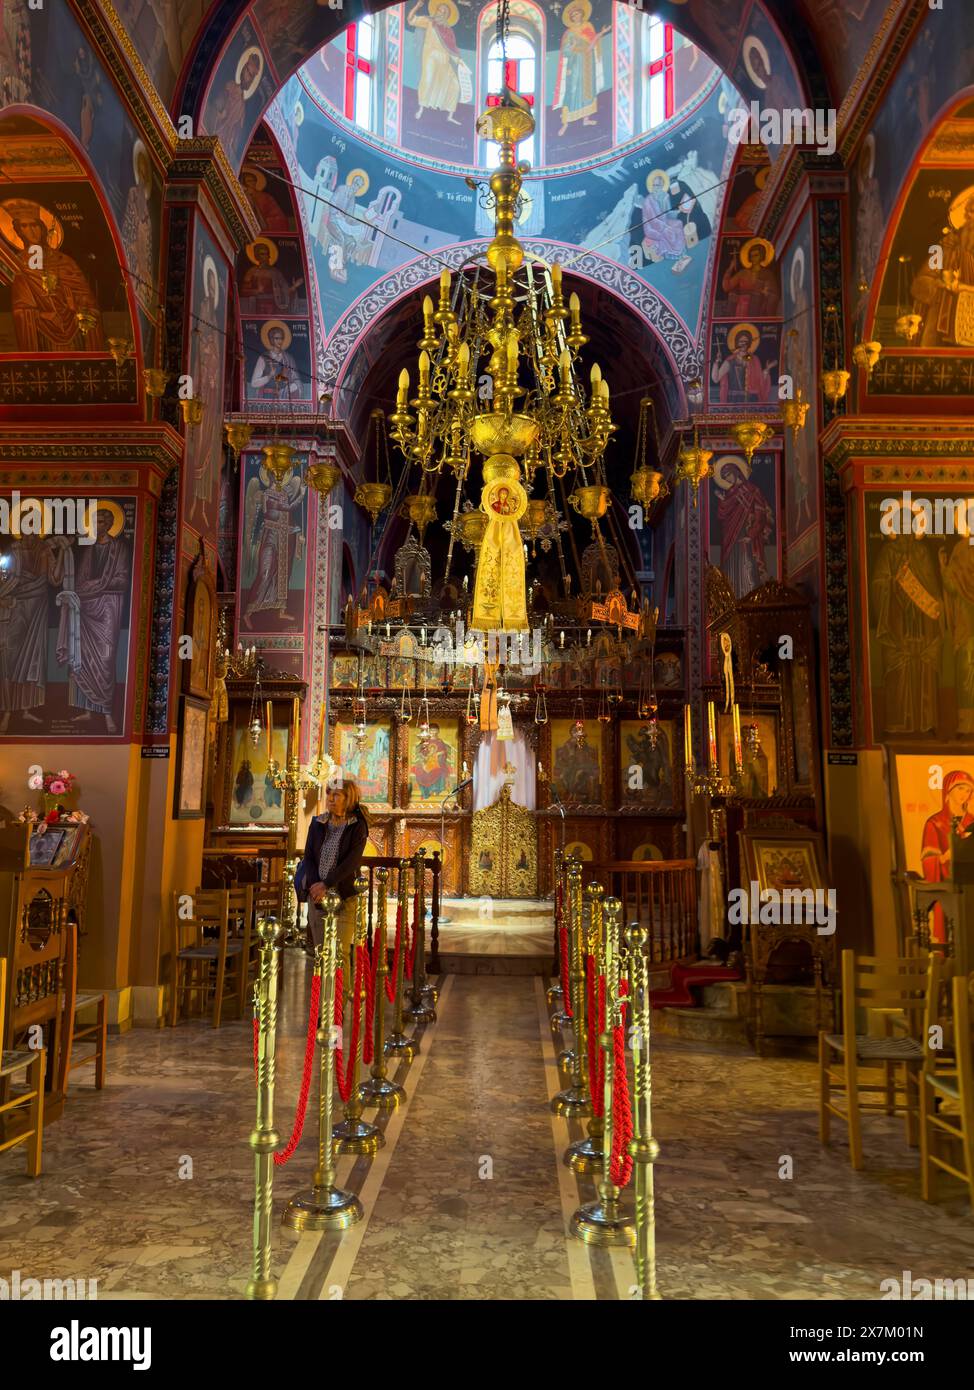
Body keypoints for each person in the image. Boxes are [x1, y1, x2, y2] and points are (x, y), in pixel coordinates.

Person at [295, 780, 370, 966]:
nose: (330, 798)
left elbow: (351, 863)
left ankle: (341, 996)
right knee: (322, 955)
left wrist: (325, 884)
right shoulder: (318, 823)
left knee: (340, 955)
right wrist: (315, 886)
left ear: (348, 799)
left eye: (336, 794)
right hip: (318, 899)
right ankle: (322, 996)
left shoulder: (357, 826)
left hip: (344, 897)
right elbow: (309, 856)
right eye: (329, 794)